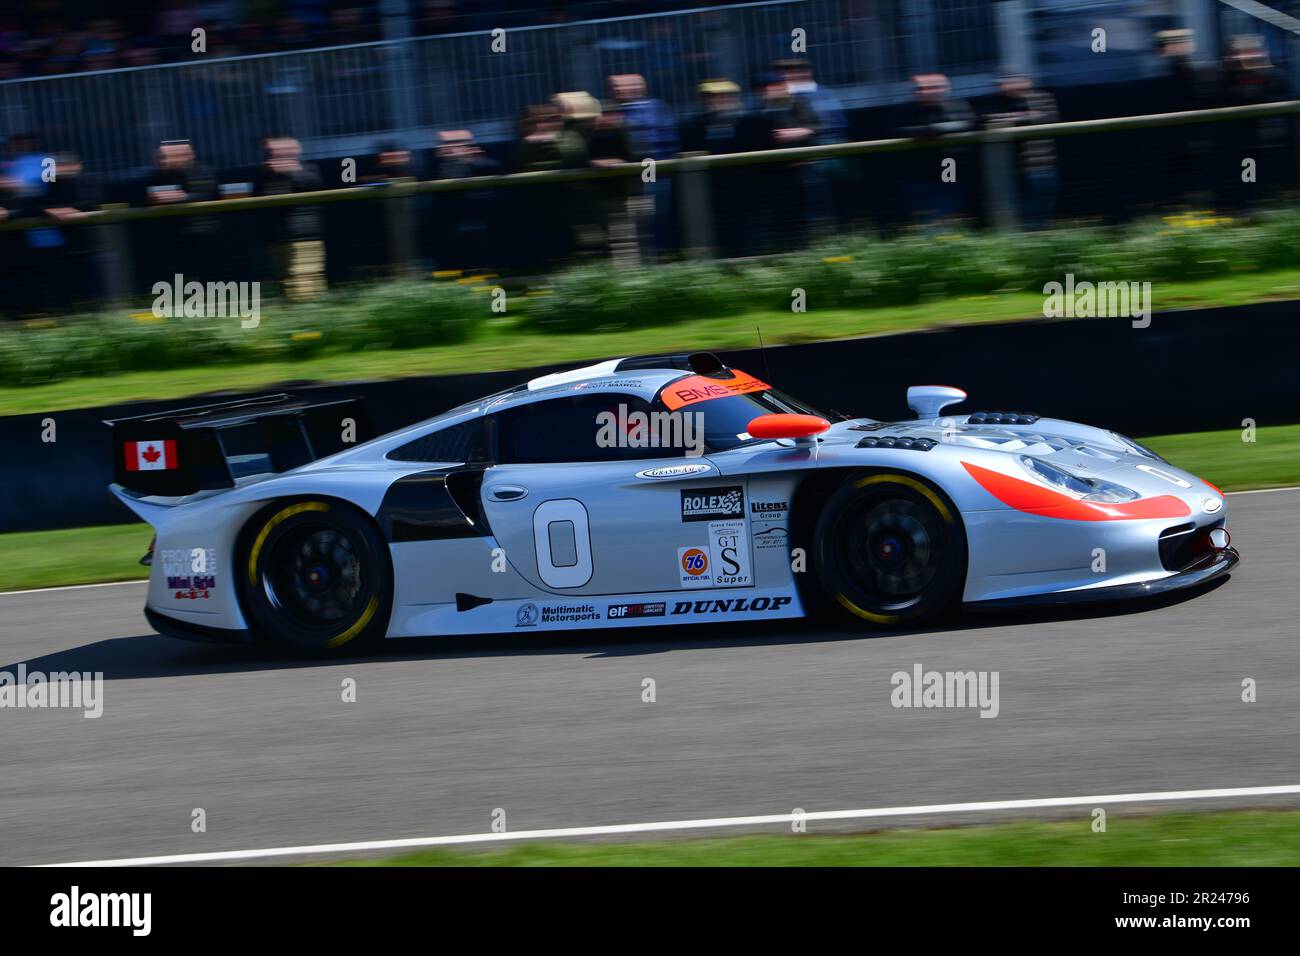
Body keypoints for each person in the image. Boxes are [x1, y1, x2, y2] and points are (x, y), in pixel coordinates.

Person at [606, 73, 677, 259]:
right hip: (624, 177)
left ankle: (659, 255)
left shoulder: (654, 108)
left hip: (651, 168)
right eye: (615, 86)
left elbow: (654, 146)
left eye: (623, 86)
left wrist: (648, 177)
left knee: (654, 214)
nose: (618, 90)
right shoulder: (610, 110)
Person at [895, 73, 975, 224]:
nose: (924, 92)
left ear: (944, 88)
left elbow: (967, 124)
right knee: (922, 214)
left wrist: (934, 130)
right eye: (919, 88)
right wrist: (930, 130)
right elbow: (900, 130)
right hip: (917, 172)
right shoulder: (905, 110)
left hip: (949, 165)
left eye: (931, 87)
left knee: (950, 209)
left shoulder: (957, 105)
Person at [254, 136, 327, 301]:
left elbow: (316, 186)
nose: (277, 153)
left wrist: (291, 171)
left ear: (296, 150)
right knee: (286, 280)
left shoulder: (309, 169)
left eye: (283, 149)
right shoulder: (264, 172)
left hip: (305, 235)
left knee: (305, 279)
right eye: (274, 150)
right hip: (277, 236)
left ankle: (309, 313)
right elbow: (258, 198)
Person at [983, 75, 1059, 230]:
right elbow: (984, 119)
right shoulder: (996, 102)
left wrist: (1008, 119)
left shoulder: (1041, 98)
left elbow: (1041, 118)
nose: (1007, 86)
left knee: (1038, 216)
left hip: (1040, 167)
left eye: (1012, 81)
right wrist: (1017, 118)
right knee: (1009, 217)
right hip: (1007, 172)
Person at [142, 139, 218, 280]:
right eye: (160, 157)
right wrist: (150, 199)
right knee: (179, 272)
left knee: (205, 270)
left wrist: (182, 197)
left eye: (165, 157)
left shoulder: (201, 171)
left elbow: (208, 193)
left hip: (201, 230)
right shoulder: (156, 176)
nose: (162, 161)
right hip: (171, 232)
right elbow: (141, 197)